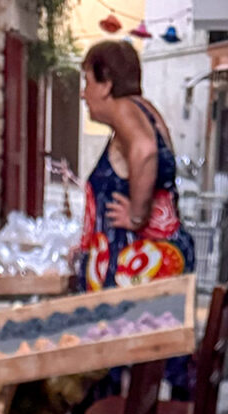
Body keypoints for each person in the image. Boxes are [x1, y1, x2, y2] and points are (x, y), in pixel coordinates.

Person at [79, 40, 195, 291]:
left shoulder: (124, 110)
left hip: (136, 271)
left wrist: (136, 216)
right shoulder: (144, 109)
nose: (83, 93)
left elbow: (145, 150)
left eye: (87, 82)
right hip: (152, 262)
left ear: (106, 85)